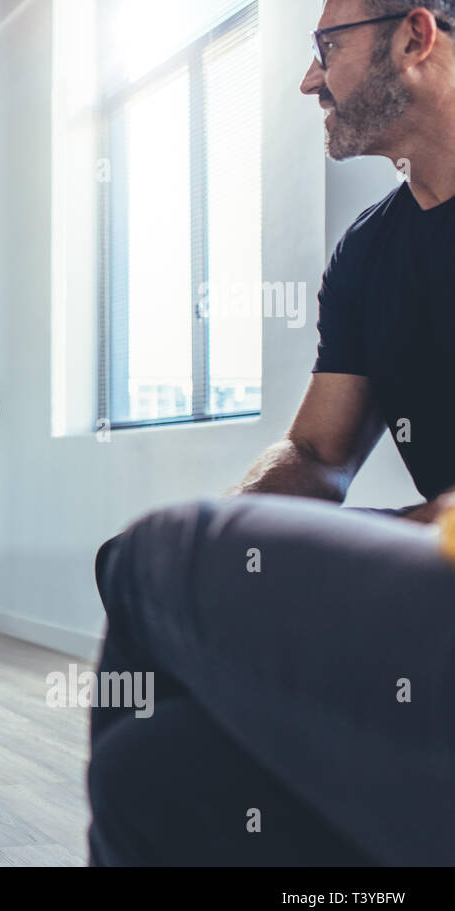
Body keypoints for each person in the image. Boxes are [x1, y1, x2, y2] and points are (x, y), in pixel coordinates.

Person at [87, 0, 455, 865]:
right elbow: (320, 454)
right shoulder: (370, 252)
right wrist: (230, 552)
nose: (307, 79)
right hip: (427, 574)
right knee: (148, 770)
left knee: (152, 559)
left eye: (327, 48)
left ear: (415, 36)